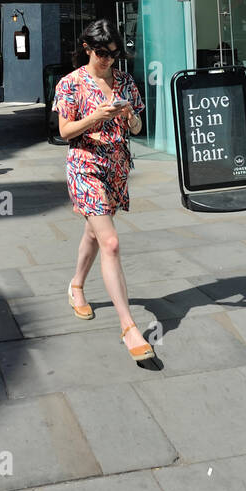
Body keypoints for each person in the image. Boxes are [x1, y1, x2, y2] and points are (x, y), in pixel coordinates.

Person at [53, 18, 154, 363]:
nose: (109, 60)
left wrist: (128, 116)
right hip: (84, 166)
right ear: (87, 48)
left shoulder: (125, 81)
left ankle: (76, 285)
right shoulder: (71, 84)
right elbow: (65, 131)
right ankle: (129, 326)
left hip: (116, 166)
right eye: (102, 53)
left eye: (114, 54)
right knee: (110, 241)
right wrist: (95, 116)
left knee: (95, 234)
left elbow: (139, 126)